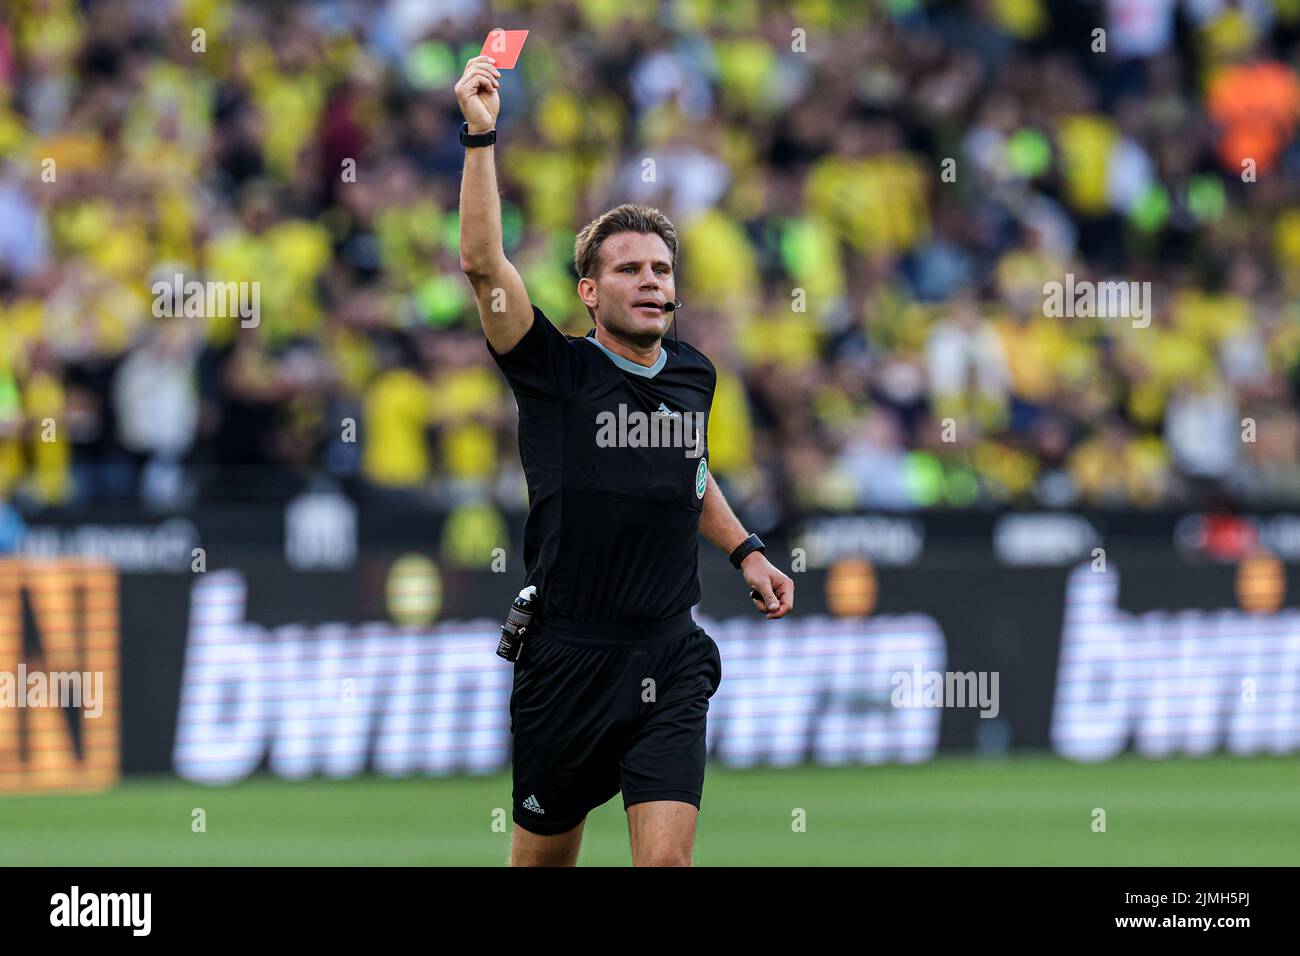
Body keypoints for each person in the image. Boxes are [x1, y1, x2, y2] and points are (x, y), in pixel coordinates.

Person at [455, 54, 793, 866]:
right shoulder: (557, 373)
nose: (651, 282)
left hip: (669, 651)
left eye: (663, 270)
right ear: (589, 292)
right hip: (567, 659)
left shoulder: (693, 375)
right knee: (542, 862)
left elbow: (689, 477)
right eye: (630, 269)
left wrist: (744, 550)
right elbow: (480, 265)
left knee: (667, 863)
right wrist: (480, 135)